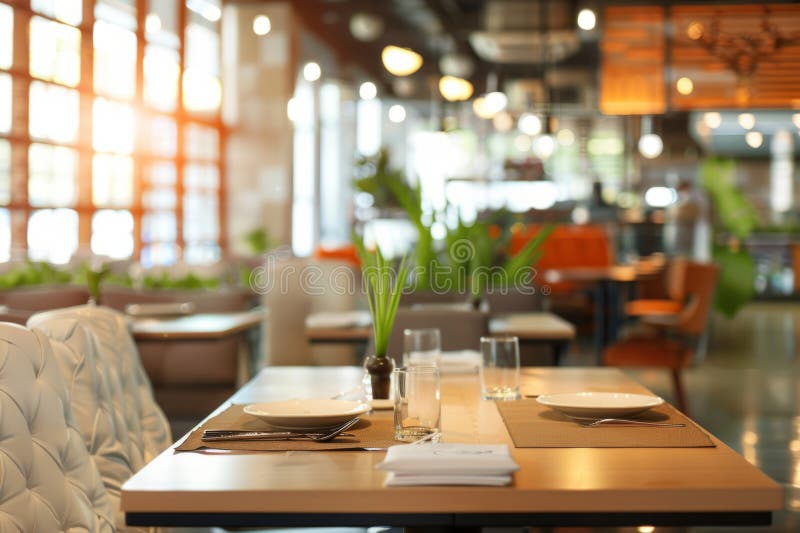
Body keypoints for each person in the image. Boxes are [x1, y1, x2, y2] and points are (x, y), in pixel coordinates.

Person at [664, 179, 711, 261]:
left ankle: (700, 264)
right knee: (695, 249)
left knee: (700, 248)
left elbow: (690, 210)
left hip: (700, 224)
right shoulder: (691, 196)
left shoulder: (695, 195)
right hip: (695, 224)